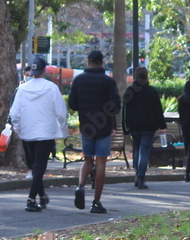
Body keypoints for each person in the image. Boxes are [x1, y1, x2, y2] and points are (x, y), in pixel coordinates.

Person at [10, 55, 68, 211]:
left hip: (27, 132)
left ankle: (41, 196)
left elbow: (14, 113)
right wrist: (63, 130)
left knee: (35, 167)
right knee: (40, 166)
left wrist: (17, 128)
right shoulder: (51, 88)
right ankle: (31, 199)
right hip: (46, 132)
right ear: (44, 71)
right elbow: (61, 112)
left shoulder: (22, 89)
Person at [67, 50, 120, 214]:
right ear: (101, 63)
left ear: (88, 62)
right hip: (103, 126)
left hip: (86, 126)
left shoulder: (78, 80)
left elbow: (72, 104)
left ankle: (80, 185)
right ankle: (96, 201)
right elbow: (115, 105)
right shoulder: (108, 81)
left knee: (88, 159)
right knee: (101, 162)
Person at [122, 66, 166, 190]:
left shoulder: (130, 91)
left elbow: (125, 110)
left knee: (136, 149)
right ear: (146, 76)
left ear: (135, 76)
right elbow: (158, 110)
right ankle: (141, 176)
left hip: (134, 126)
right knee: (144, 151)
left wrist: (126, 127)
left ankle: (137, 173)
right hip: (148, 125)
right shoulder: (151, 91)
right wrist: (162, 125)